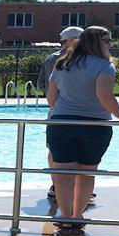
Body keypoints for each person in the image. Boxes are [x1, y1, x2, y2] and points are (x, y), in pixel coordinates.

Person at [46, 25, 119, 233]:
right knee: (87, 173)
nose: (111, 44)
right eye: (107, 40)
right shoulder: (105, 66)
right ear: (95, 43)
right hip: (95, 126)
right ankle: (77, 216)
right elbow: (104, 96)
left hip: (62, 123)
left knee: (63, 175)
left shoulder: (63, 63)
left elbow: (51, 99)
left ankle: (65, 217)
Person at [39, 26, 84, 200]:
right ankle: (66, 186)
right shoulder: (62, 59)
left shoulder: (52, 58)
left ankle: (58, 185)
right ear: (72, 40)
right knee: (66, 150)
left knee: (55, 149)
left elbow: (43, 85)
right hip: (67, 110)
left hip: (56, 110)